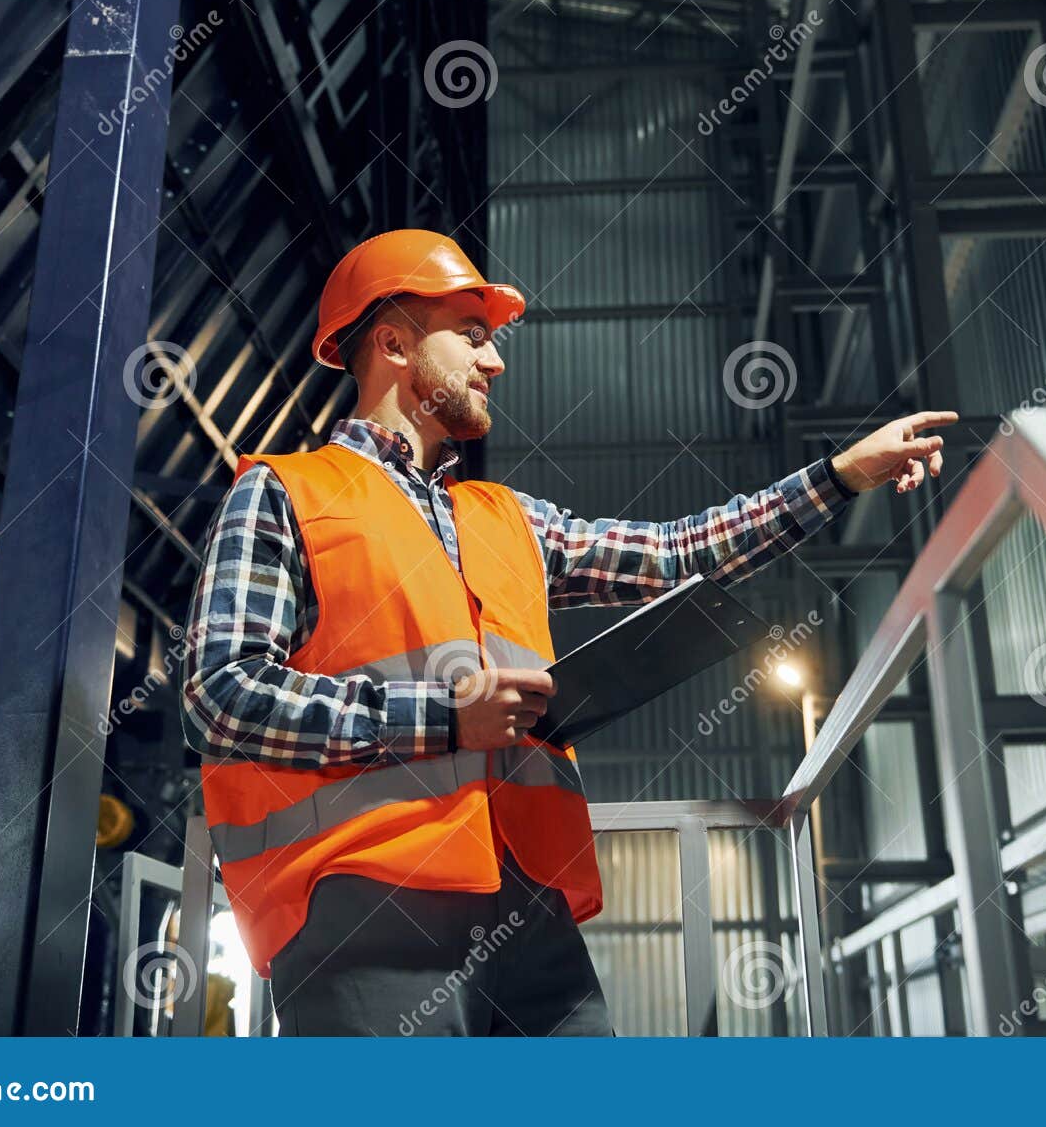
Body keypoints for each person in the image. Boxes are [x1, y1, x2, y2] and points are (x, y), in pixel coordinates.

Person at [179, 228, 957, 1036]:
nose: (496, 362)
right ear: (393, 343)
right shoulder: (287, 492)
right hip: (361, 907)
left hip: (528, 905)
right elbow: (220, 696)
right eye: (473, 337)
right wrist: (445, 718)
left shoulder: (505, 517)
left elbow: (677, 552)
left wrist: (838, 476)